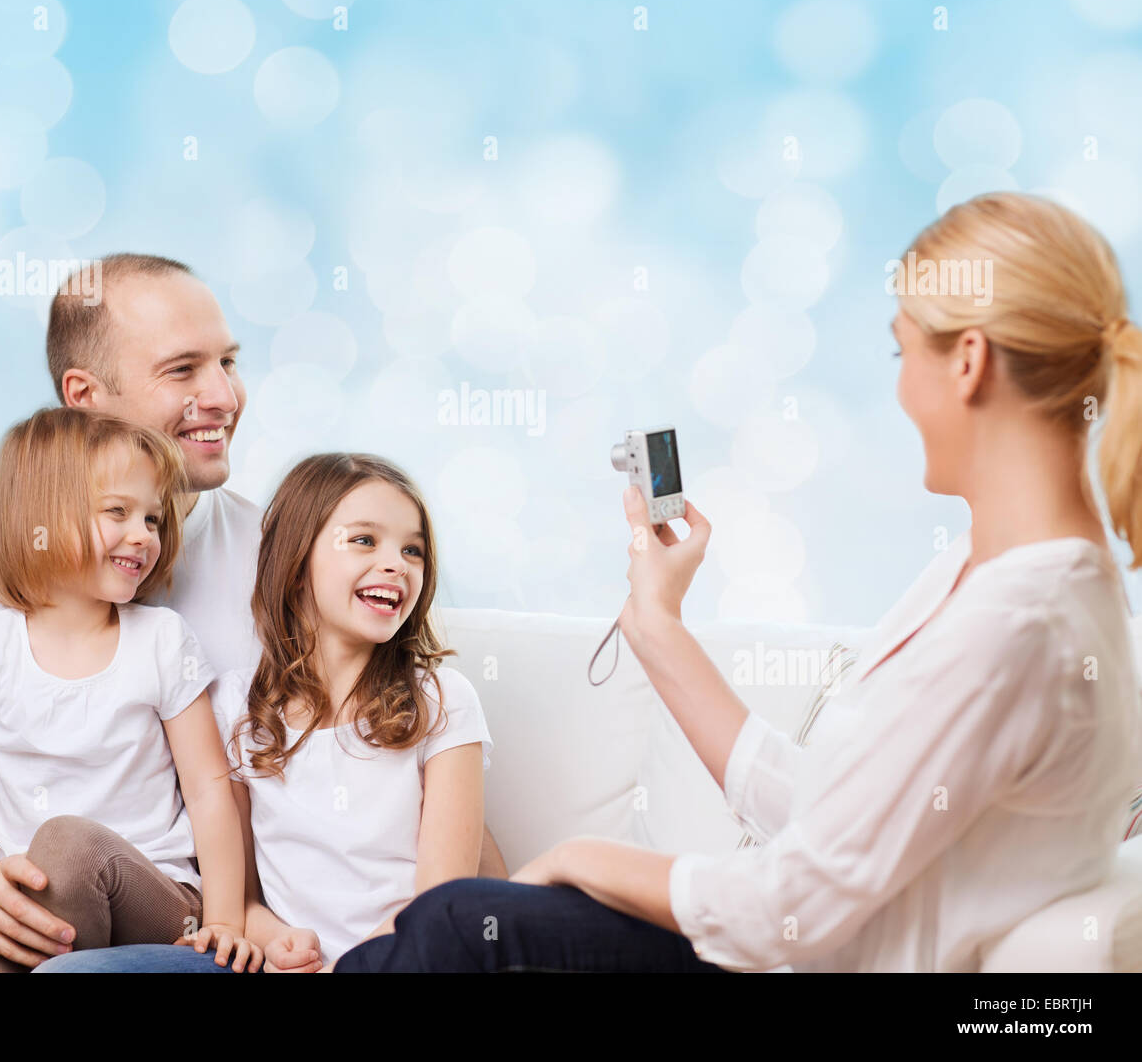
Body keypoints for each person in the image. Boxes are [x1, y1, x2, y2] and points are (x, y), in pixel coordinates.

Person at [334, 191, 1142, 973]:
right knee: (456, 922)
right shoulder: (990, 576)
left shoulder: (1020, 622)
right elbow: (833, 818)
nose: (899, 389)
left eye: (903, 352)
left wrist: (579, 858)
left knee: (459, 922)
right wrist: (658, 624)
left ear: (968, 361)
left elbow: (786, 905)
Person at [0, 254, 505, 974]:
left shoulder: (293, 568)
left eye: (228, 361)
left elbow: (418, 777)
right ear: (84, 396)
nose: (224, 393)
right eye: (183, 369)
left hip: (197, 934)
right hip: (32, 919)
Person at [0, 408, 260, 973]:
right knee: (33, 880)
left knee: (67, 840)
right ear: (41, 515)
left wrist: (226, 921)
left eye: (154, 520)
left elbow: (209, 790)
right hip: (38, 900)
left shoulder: (161, 641)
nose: (144, 536)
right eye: (119, 512)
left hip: (159, 898)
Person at [210, 454, 491, 971]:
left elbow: (440, 904)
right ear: (295, 564)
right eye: (364, 540)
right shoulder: (236, 708)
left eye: (413, 550)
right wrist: (278, 941)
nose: (396, 564)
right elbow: (239, 900)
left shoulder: (442, 702)